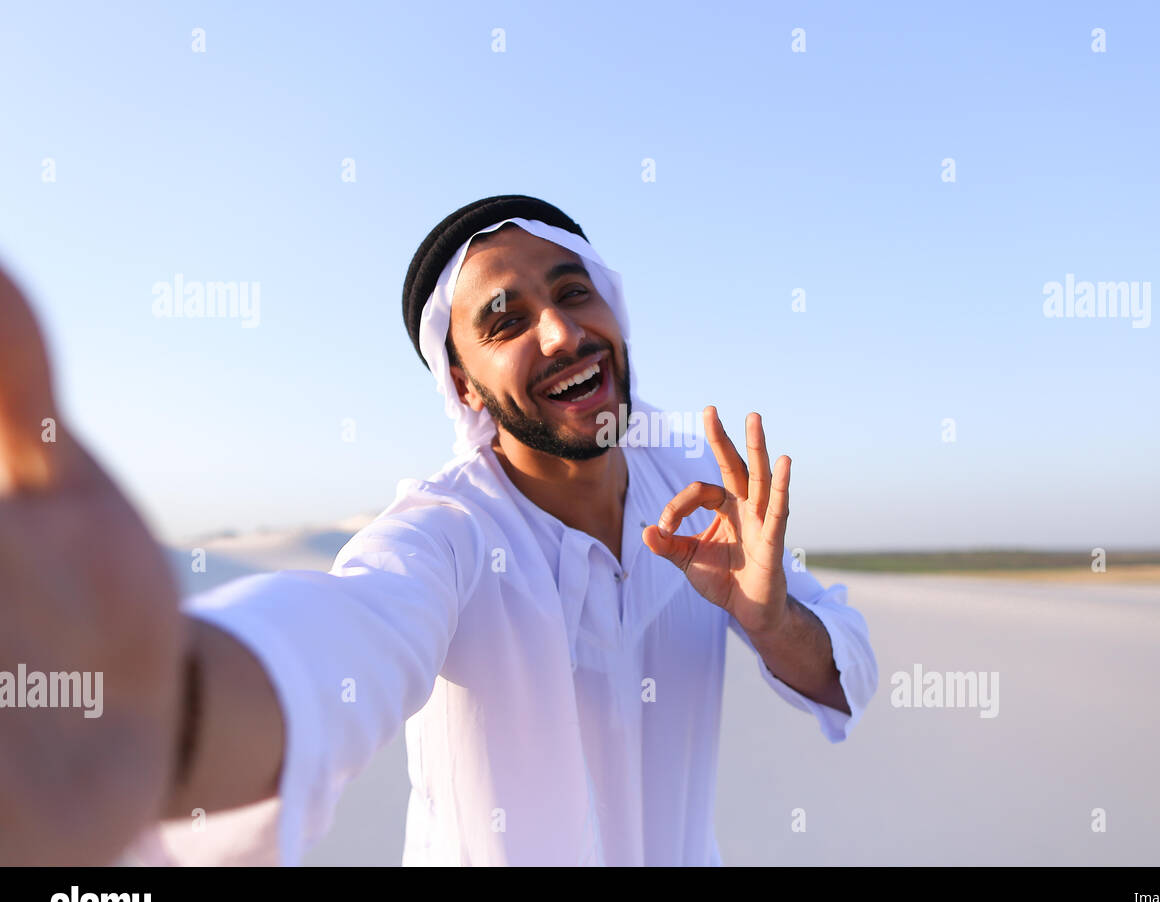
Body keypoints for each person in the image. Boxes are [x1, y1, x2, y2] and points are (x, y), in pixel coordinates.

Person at [0, 195, 877, 866]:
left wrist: (773, 624)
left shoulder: (696, 486)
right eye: (506, 320)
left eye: (575, 292)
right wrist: (162, 715)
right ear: (462, 386)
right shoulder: (446, 534)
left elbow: (845, 668)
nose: (564, 331)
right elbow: (348, 640)